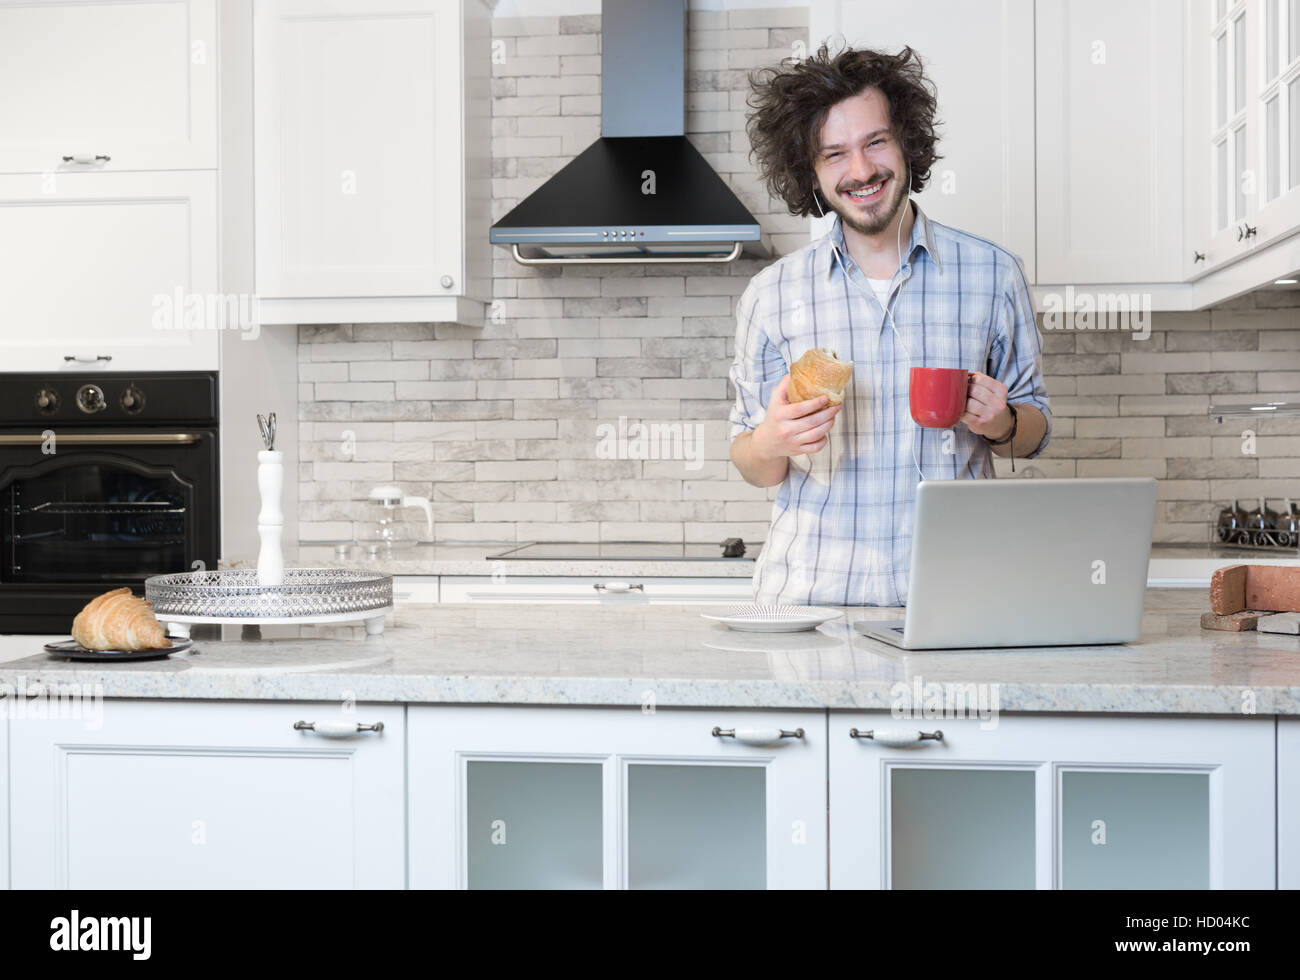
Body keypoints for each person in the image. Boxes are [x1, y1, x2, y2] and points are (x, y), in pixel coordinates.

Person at [729, 43, 1052, 606]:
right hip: (809, 601)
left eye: (875, 141)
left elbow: (1036, 433)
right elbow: (754, 465)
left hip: (957, 599)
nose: (860, 171)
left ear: (906, 142)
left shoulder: (993, 274)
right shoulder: (772, 293)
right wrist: (771, 440)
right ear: (810, 172)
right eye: (834, 154)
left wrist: (1001, 423)